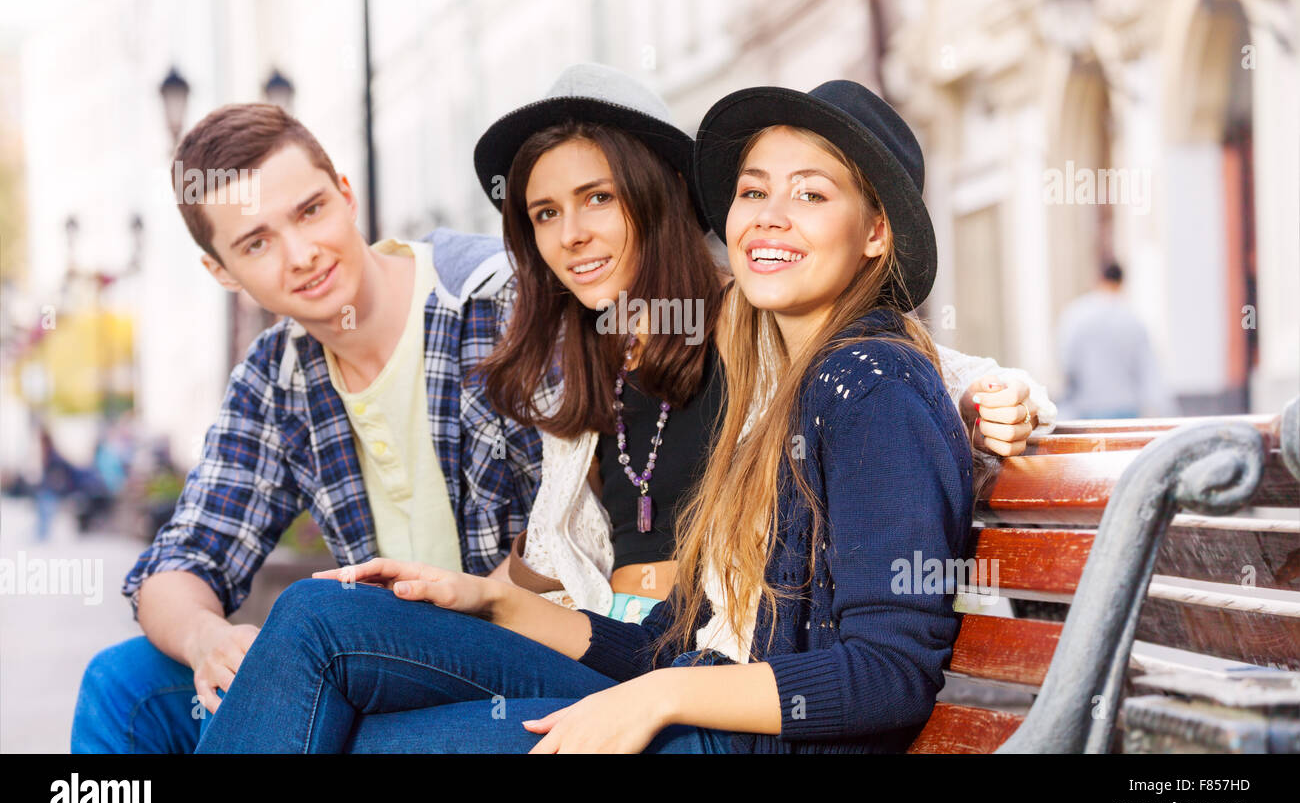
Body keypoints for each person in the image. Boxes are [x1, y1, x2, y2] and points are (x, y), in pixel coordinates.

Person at [193, 79, 996, 752]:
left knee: (362, 723)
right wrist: (493, 599)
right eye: (753, 192)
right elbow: (686, 643)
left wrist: (657, 699)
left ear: (875, 232)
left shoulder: (869, 379)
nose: (769, 216)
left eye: (811, 195)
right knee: (312, 615)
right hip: (698, 694)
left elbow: (887, 673)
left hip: (747, 735)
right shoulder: (784, 386)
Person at [474, 63, 1054, 622]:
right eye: (545, 213)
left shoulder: (749, 316)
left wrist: (985, 398)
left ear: (666, 191)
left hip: (711, 661)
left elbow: (901, 371)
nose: (571, 234)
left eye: (598, 197)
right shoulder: (595, 357)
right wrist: (458, 598)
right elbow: (564, 554)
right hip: (616, 642)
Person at [71, 104, 544, 753]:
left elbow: (590, 542)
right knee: (126, 684)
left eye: (310, 211)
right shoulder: (277, 376)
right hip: (381, 668)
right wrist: (209, 640)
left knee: (316, 629)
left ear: (346, 197)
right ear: (223, 274)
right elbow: (182, 559)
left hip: (534, 654)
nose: (302, 255)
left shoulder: (500, 305)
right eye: (256, 243)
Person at [1056, 261, 1174, 419]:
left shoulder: (1076, 315)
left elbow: (1067, 363)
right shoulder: (1133, 320)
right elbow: (1148, 368)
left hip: (1087, 407)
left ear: (1098, 279)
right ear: (1121, 282)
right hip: (1126, 408)